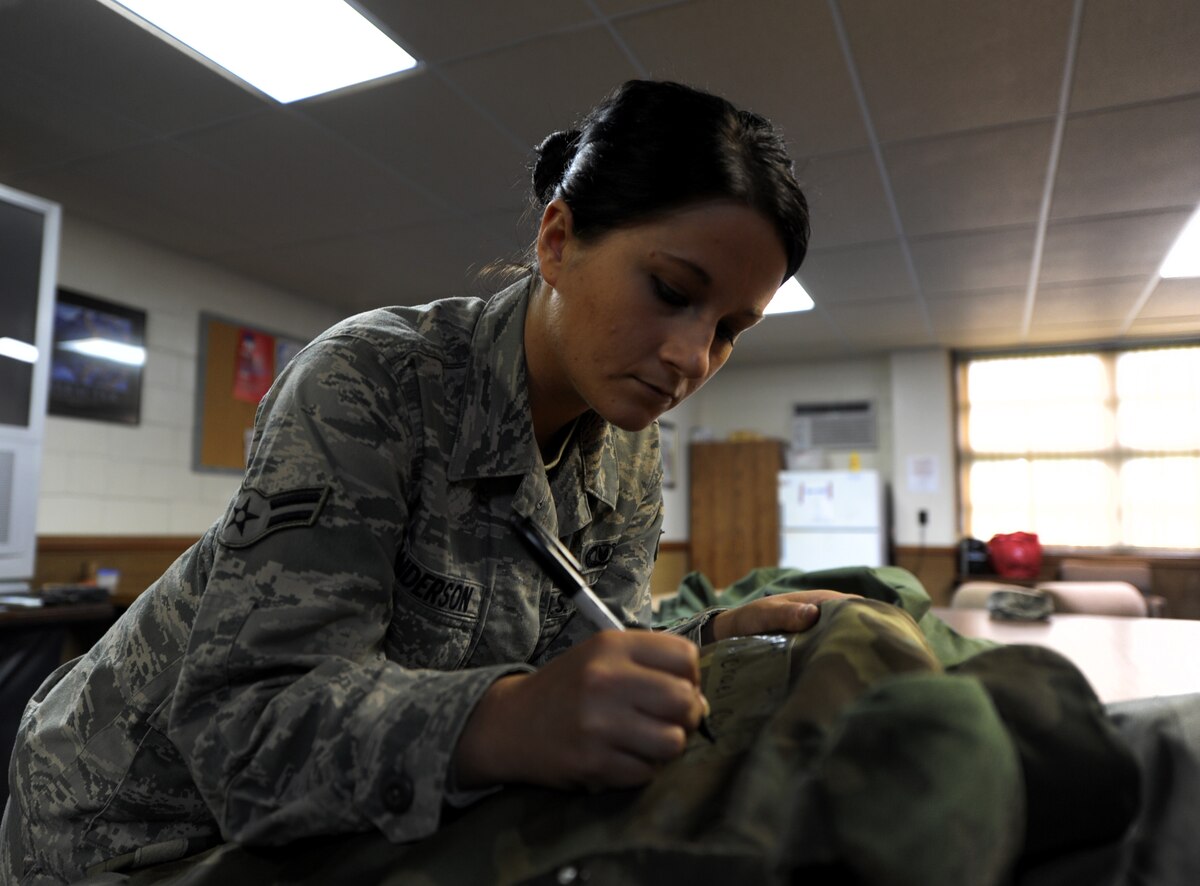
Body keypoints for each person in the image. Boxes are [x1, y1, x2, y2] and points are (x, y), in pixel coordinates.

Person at [1, 79, 844, 885]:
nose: (692, 358)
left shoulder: (627, 450)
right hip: (130, 832)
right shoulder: (373, 378)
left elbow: (585, 653)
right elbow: (245, 736)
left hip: (329, 832)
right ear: (557, 241)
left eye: (730, 330)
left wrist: (710, 638)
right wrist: (506, 722)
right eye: (670, 291)